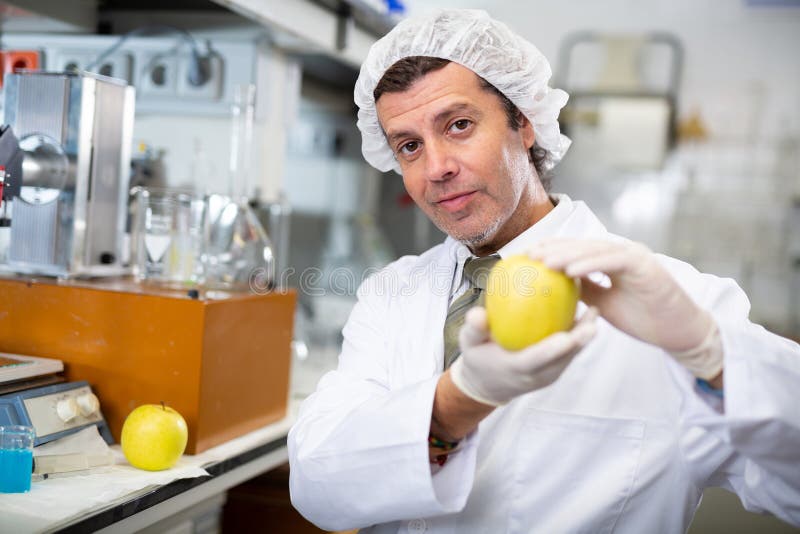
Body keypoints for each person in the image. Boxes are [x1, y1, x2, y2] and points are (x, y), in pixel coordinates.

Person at [288, 9, 800, 533]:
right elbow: (316, 485)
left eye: (459, 125)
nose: (436, 166)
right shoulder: (392, 293)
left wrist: (713, 359)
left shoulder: (679, 307)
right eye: (410, 146)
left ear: (525, 121)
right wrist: (454, 404)